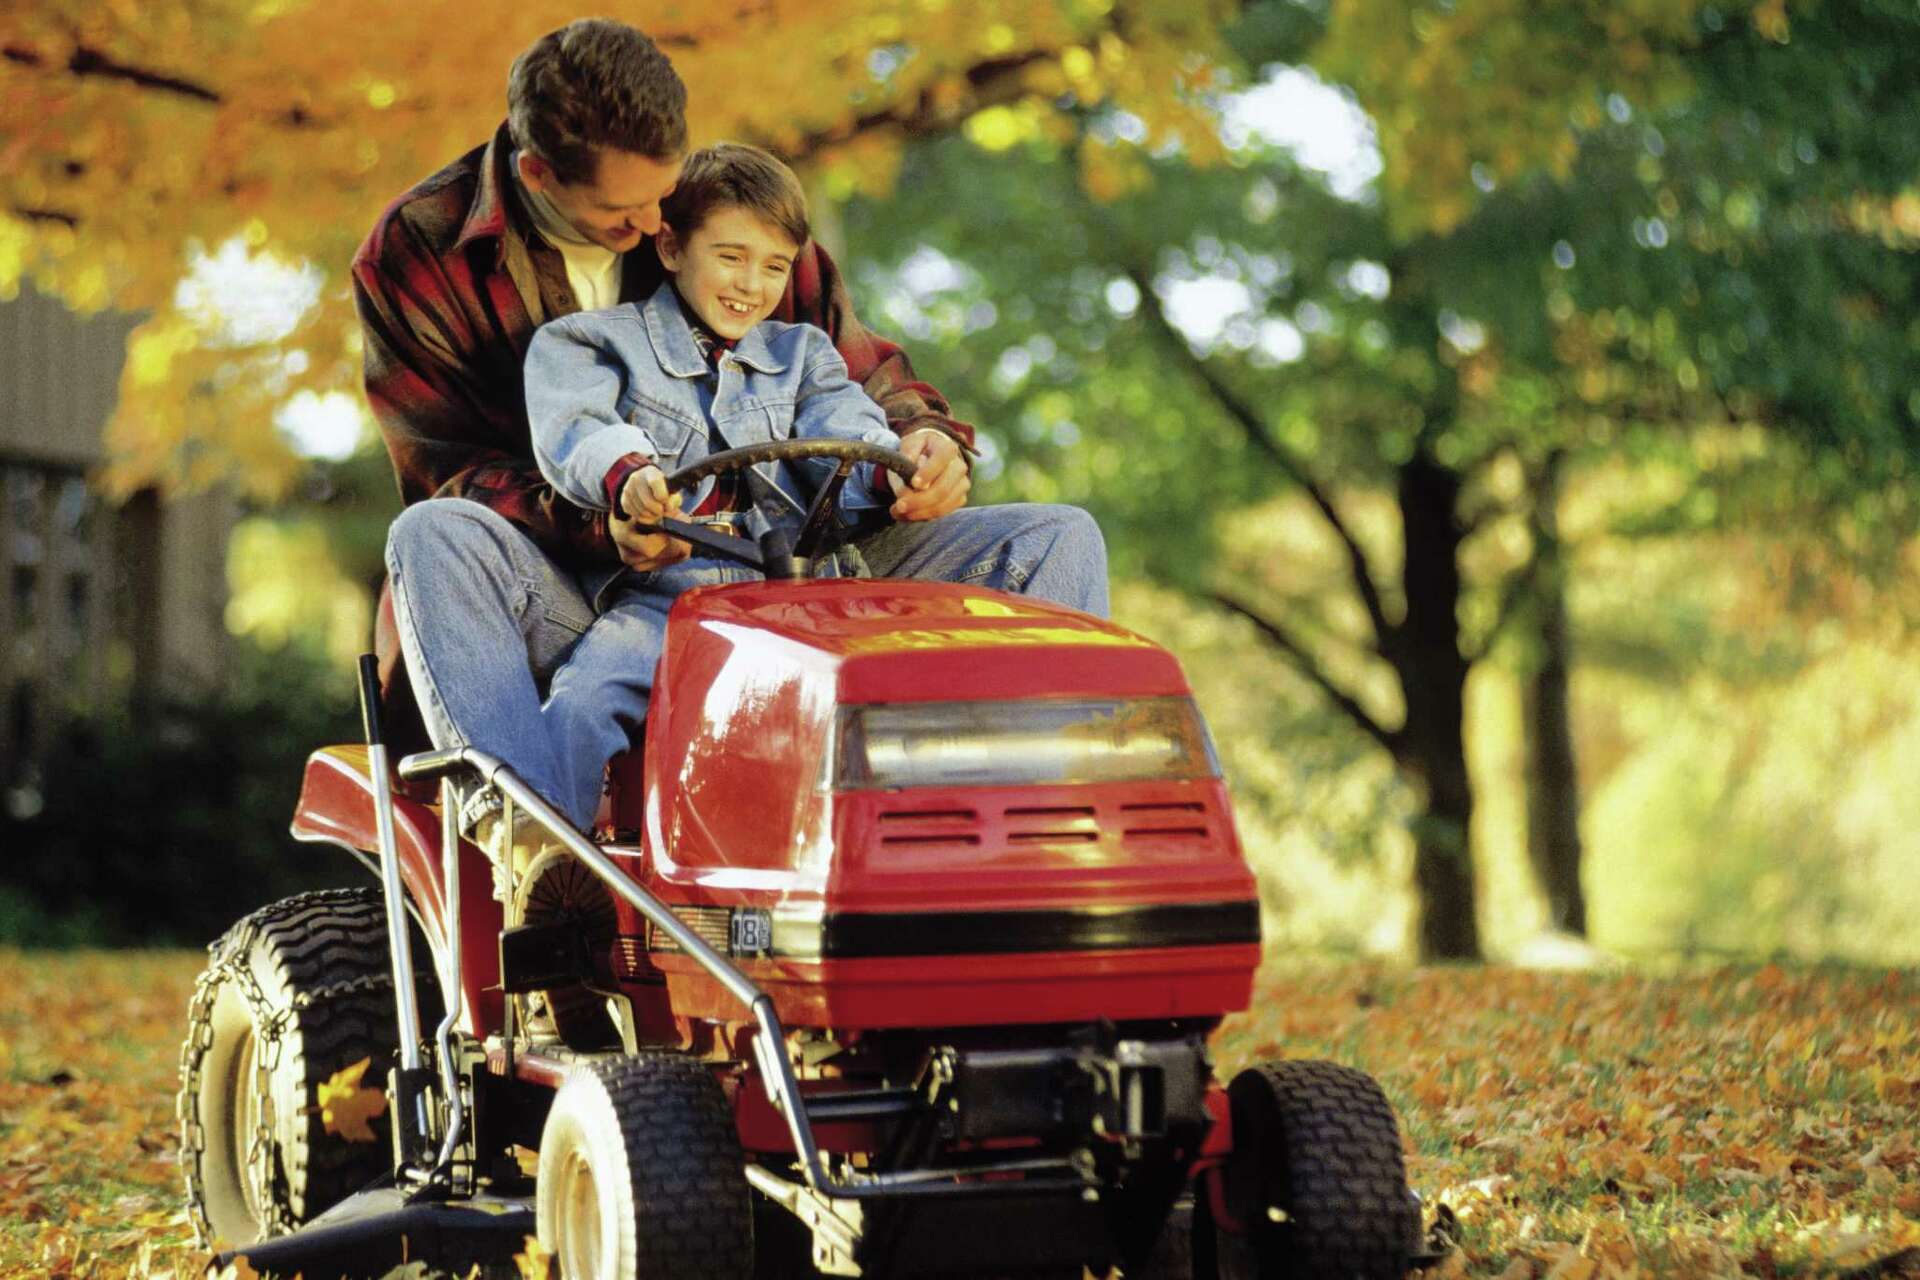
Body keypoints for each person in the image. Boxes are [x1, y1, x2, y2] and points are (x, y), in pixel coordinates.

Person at [352, 19, 1106, 867]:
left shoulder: (724, 215)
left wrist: (925, 444)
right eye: (623, 210)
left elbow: (856, 380)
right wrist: (614, 521)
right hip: (601, 587)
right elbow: (450, 472)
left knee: (1057, 538)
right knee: (431, 538)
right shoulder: (419, 252)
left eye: (664, 193)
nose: (651, 221)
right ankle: (540, 855)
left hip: (807, 572)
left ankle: (1026, 838)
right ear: (538, 172)